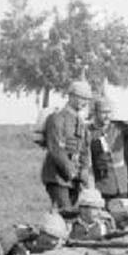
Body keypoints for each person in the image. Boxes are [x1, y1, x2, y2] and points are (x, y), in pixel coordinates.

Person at [41, 81, 92, 210]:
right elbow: (56, 149)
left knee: (74, 213)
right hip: (57, 176)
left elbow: (84, 148)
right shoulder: (57, 118)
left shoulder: (80, 121)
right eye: (81, 97)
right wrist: (73, 173)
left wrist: (85, 170)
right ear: (71, 96)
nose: (84, 101)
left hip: (74, 179)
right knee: (65, 212)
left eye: (86, 99)